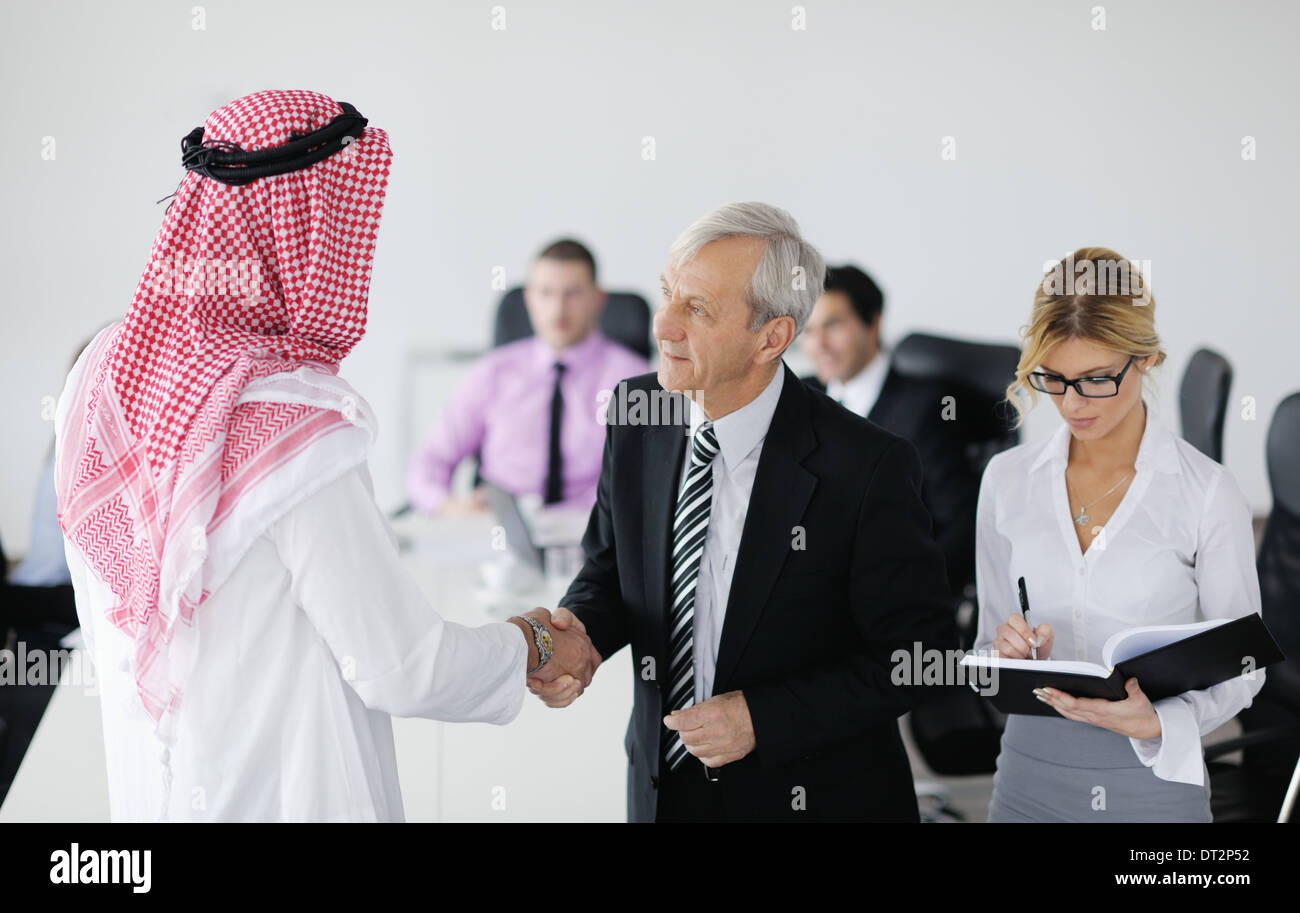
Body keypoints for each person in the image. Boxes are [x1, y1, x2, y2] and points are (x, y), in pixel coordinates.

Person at [53, 90, 599, 822]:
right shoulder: (290, 417)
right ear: (299, 235)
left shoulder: (102, 375)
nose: (351, 252)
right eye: (339, 225)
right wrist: (533, 639)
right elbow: (403, 667)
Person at [529, 202, 958, 822]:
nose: (663, 326)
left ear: (772, 337)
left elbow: (923, 657)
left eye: (696, 308)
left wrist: (765, 717)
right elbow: (611, 569)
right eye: (667, 294)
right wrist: (579, 636)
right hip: (661, 791)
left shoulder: (865, 465)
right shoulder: (637, 413)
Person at [973, 247, 1265, 822]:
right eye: (1053, 378)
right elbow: (987, 651)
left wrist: (1162, 721)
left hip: (1152, 780)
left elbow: (1246, 664)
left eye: (1096, 379)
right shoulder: (1007, 480)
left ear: (1148, 359)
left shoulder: (1206, 491)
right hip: (1028, 776)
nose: (1072, 402)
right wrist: (1007, 656)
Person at [405, 239, 649, 516]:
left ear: (598, 298)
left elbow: (653, 478)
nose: (558, 309)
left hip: (596, 533)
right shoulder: (493, 372)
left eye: (573, 293)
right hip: (502, 532)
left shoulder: (636, 379)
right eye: (546, 293)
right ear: (529, 298)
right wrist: (449, 507)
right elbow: (430, 461)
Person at [801, 264, 980, 595]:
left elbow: (961, 527)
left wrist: (912, 599)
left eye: (833, 325)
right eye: (808, 331)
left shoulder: (926, 408)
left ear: (873, 323)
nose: (818, 345)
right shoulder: (802, 398)